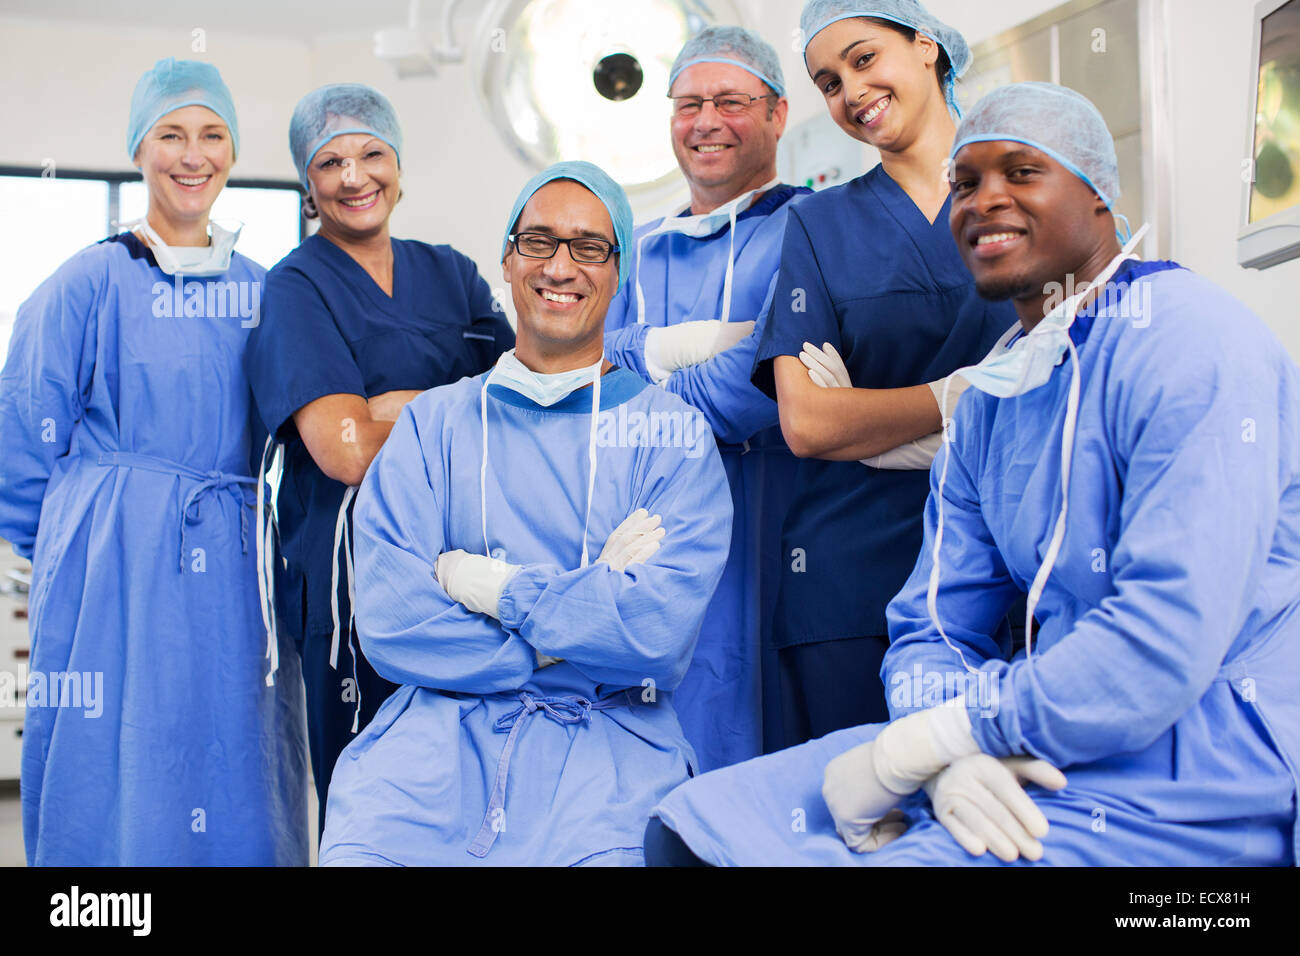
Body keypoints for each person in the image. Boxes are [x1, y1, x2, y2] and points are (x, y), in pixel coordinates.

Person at [645, 82, 1300, 867]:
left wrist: (951, 736)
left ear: (1098, 195)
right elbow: (931, 623)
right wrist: (951, 752)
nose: (985, 201)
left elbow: (1163, 644)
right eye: (965, 182)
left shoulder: (1192, 346)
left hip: (1197, 754)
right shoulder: (995, 393)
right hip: (1024, 734)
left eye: (1021, 173)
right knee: (699, 826)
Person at [317, 162, 733, 866]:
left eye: (589, 246)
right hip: (427, 758)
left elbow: (654, 634)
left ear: (618, 272)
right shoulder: (433, 426)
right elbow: (392, 622)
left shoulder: (672, 436)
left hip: (607, 757)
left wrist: (490, 587)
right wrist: (576, 618)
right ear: (507, 259)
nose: (560, 266)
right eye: (538, 241)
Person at [0, 58, 308, 865]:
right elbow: (21, 443)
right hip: (113, 575)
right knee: (121, 756)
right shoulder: (86, 283)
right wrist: (80, 556)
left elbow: (295, 428)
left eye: (211, 135)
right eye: (170, 133)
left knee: (231, 747)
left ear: (233, 154)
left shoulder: (261, 288)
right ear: (139, 149)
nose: (192, 154)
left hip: (235, 579)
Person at [243, 83, 513, 830]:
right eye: (330, 162)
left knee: (470, 796)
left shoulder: (452, 273)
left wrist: (395, 405)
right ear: (308, 182)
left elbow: (524, 405)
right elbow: (346, 450)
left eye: (372, 154)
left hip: (467, 573)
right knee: (371, 802)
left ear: (399, 165)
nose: (355, 176)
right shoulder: (295, 287)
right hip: (352, 586)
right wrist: (458, 402)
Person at [751, 0, 1018, 747]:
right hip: (848, 583)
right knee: (863, 827)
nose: (850, 92)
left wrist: (873, 422)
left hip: (1015, 559)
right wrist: (959, 399)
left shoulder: (1030, 188)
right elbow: (806, 423)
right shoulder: (817, 224)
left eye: (864, 59)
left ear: (926, 47)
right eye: (828, 82)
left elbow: (1078, 387)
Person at [601, 26, 810, 770]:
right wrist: (676, 348)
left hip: (786, 528)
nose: (706, 121)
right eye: (689, 102)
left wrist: (645, 363)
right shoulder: (638, 246)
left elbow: (760, 387)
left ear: (778, 114)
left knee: (767, 748)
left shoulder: (810, 228)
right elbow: (595, 385)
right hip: (655, 536)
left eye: (731, 101)